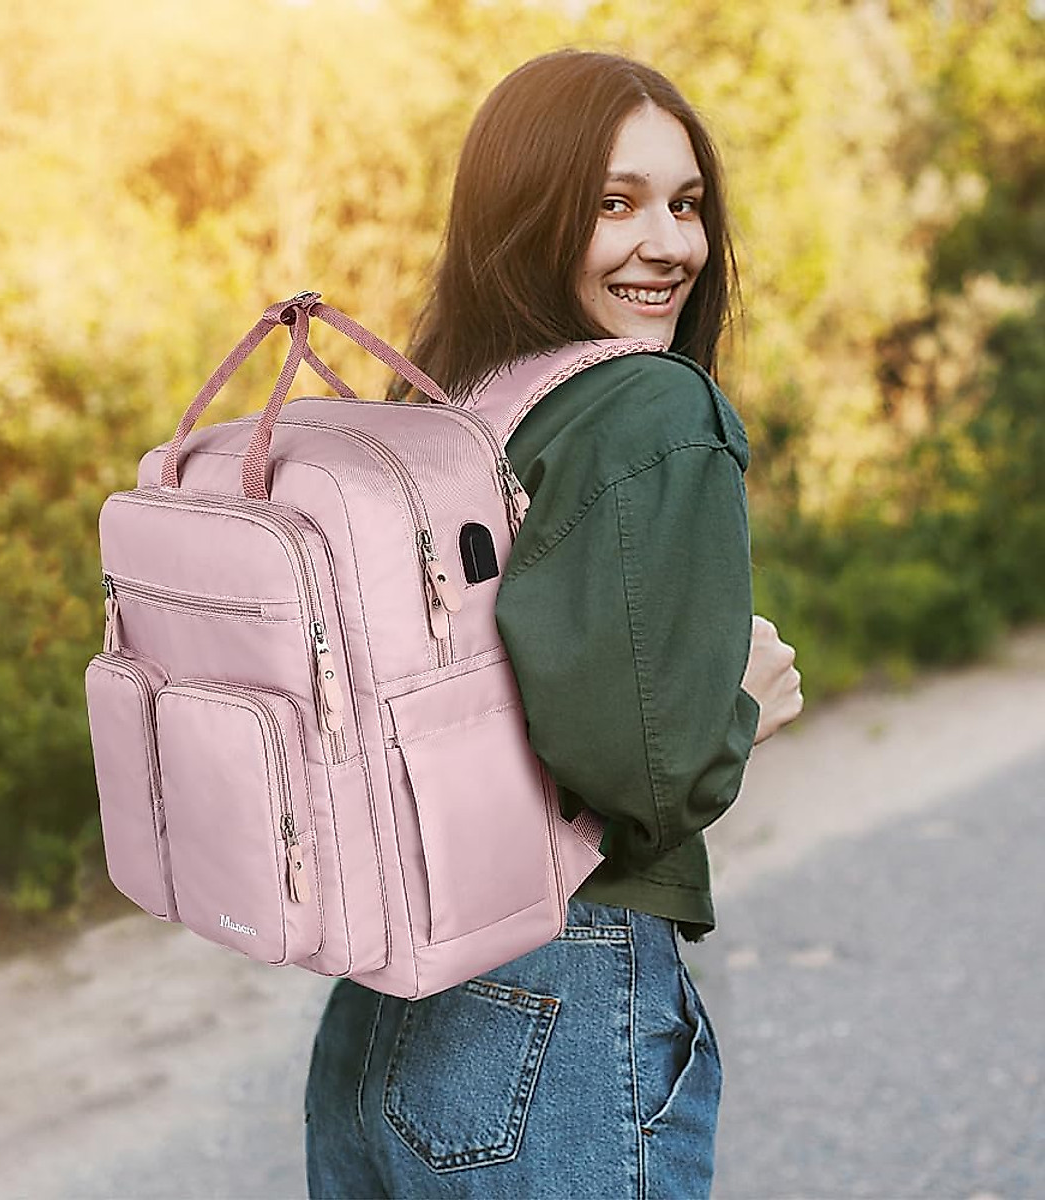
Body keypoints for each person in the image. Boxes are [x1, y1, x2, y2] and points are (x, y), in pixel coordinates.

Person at [303, 49, 803, 1199]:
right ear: (527, 217)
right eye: (614, 204)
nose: (671, 243)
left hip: (384, 1013)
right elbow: (647, 772)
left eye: (687, 205)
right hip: (557, 994)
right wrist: (739, 711)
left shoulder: (449, 402)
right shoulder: (651, 403)